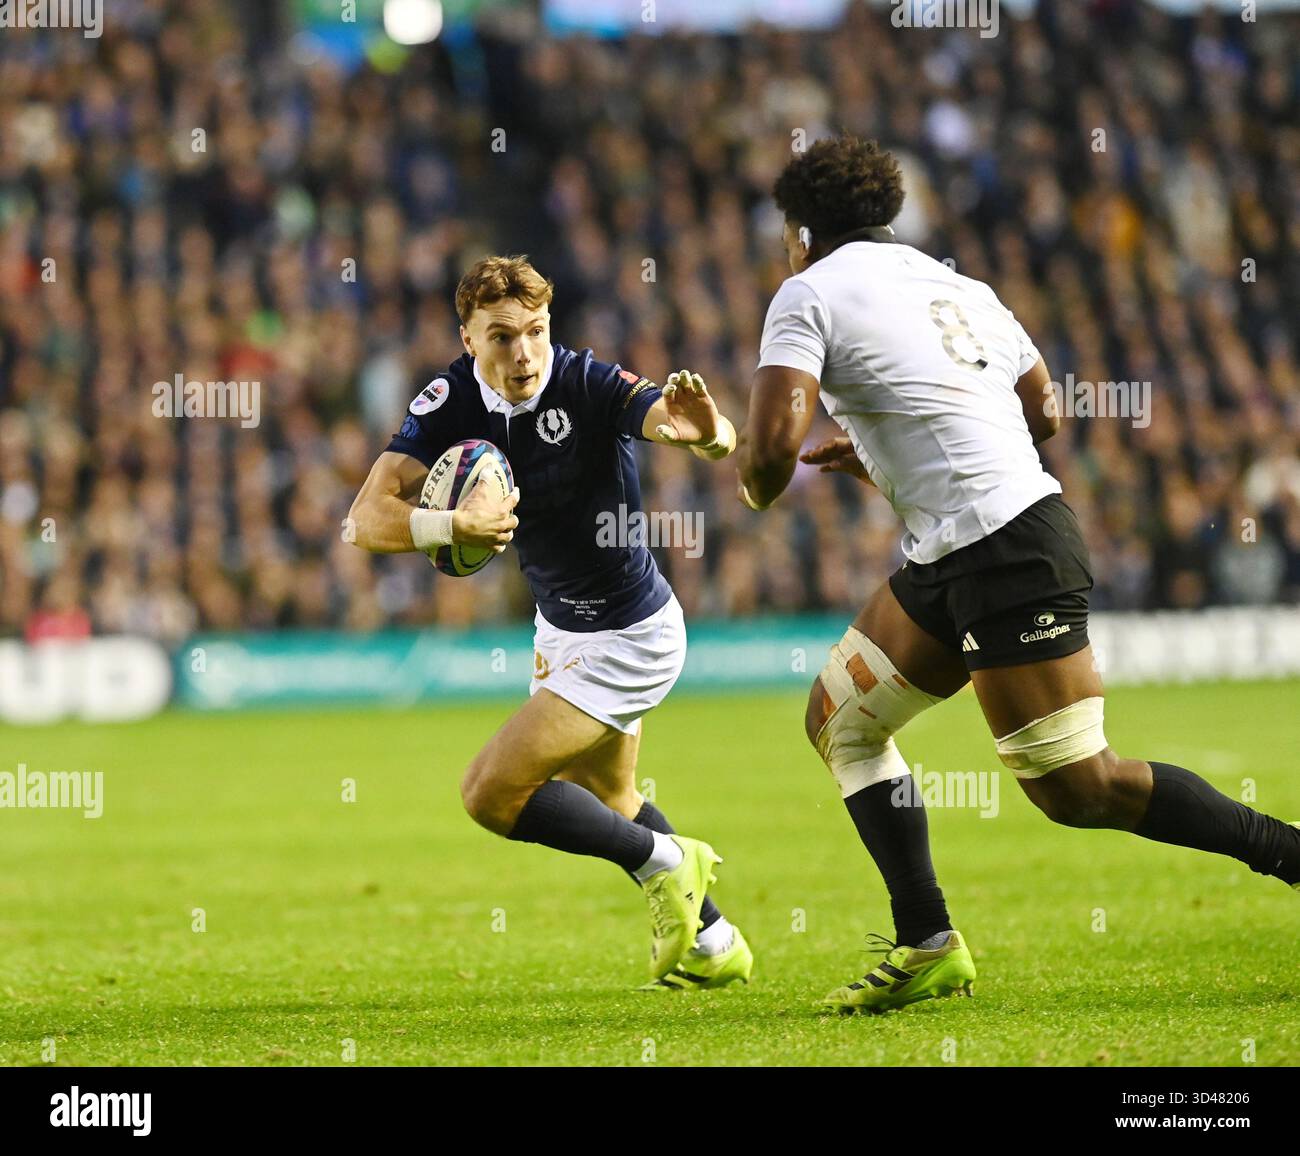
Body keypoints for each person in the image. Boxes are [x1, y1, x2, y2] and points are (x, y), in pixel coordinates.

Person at [736, 135, 1300, 1014]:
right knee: (840, 721)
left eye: (784, 233)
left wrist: (747, 469)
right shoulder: (963, 287)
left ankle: (1291, 854)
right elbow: (1045, 410)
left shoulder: (804, 293)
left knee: (1083, 788)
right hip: (955, 549)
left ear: (802, 233)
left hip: (1005, 547)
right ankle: (928, 941)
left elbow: (770, 455)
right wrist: (902, 450)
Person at [348, 255, 752, 988]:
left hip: (631, 635)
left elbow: (673, 418)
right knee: (614, 797)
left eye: (534, 330)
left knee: (490, 794)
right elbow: (363, 520)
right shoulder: (446, 402)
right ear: (467, 339)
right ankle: (718, 941)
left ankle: (669, 861)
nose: (523, 352)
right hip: (561, 629)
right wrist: (448, 523)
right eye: (500, 336)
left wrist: (712, 433)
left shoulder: (587, 381)